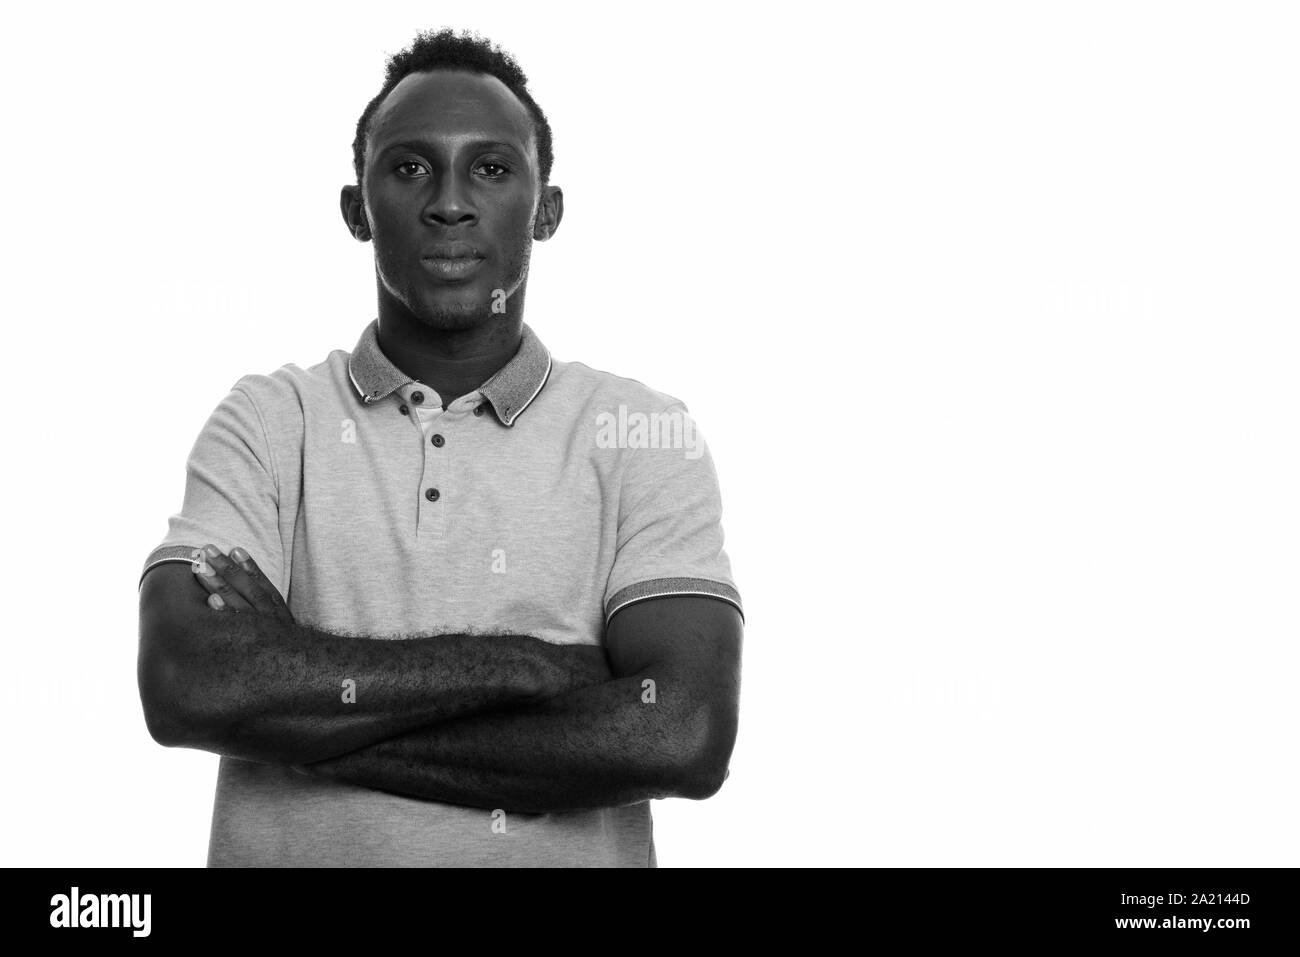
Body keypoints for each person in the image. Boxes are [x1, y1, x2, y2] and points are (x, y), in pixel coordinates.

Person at [136, 27, 743, 867]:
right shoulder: (270, 421)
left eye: (491, 169)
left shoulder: (641, 435)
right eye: (410, 166)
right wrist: (526, 669)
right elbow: (186, 683)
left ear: (547, 209)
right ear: (356, 209)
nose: (449, 201)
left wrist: (299, 705)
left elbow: (680, 731)